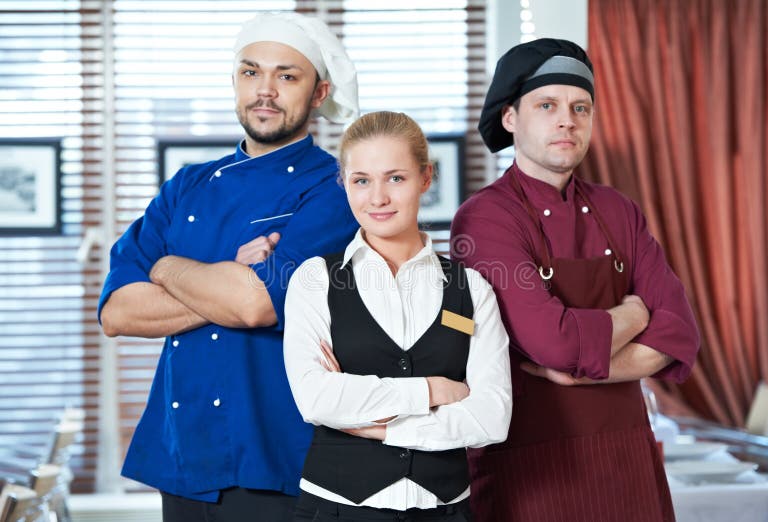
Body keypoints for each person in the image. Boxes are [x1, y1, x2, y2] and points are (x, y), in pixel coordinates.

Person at [97, 12, 360, 522]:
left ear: (319, 92)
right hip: (184, 453)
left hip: (278, 452)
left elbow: (257, 304)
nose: (265, 90)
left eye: (287, 76)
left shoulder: (335, 189)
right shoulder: (185, 186)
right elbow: (118, 313)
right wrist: (224, 275)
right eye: (250, 72)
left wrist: (166, 265)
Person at [450, 38, 700, 522]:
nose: (567, 119)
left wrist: (580, 368)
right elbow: (555, 344)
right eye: (547, 106)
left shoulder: (618, 210)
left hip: (628, 460)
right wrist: (633, 313)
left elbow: (680, 332)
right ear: (510, 119)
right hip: (532, 469)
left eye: (580, 107)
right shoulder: (484, 219)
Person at [282, 111, 512, 521]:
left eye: (396, 178)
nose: (378, 199)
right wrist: (432, 391)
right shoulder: (314, 279)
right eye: (361, 181)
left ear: (426, 178)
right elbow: (317, 399)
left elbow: (492, 418)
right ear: (345, 184)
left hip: (444, 512)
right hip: (337, 511)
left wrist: (384, 426)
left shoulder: (473, 288)